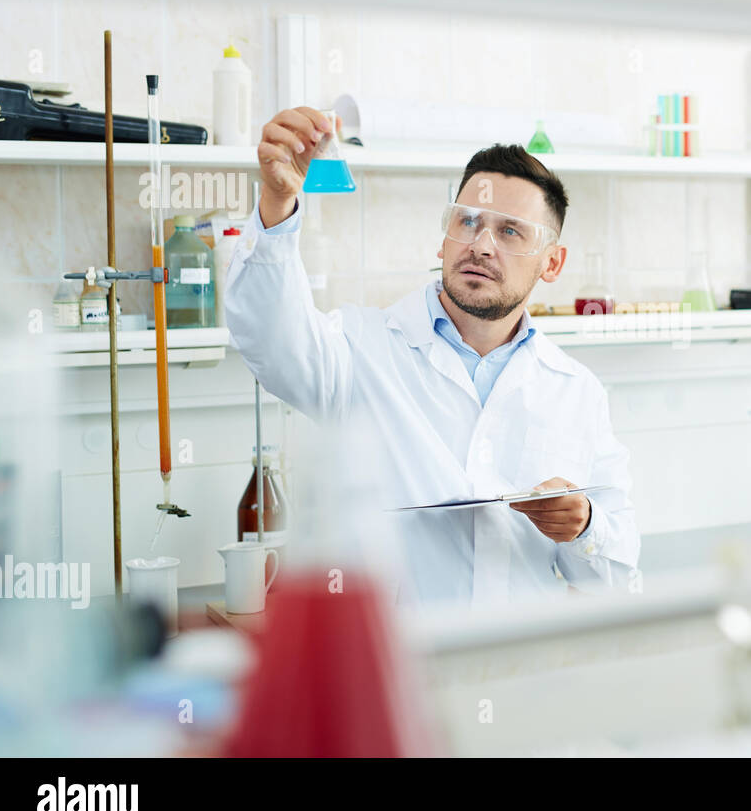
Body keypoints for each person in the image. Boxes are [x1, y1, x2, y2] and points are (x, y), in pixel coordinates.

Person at [226, 106, 638, 605]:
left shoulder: (575, 391)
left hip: (517, 666)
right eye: (467, 222)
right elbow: (272, 341)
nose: (481, 245)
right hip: (394, 666)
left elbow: (615, 580)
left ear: (551, 262)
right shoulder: (361, 348)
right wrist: (277, 201)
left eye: (510, 231)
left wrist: (584, 526)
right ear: (444, 240)